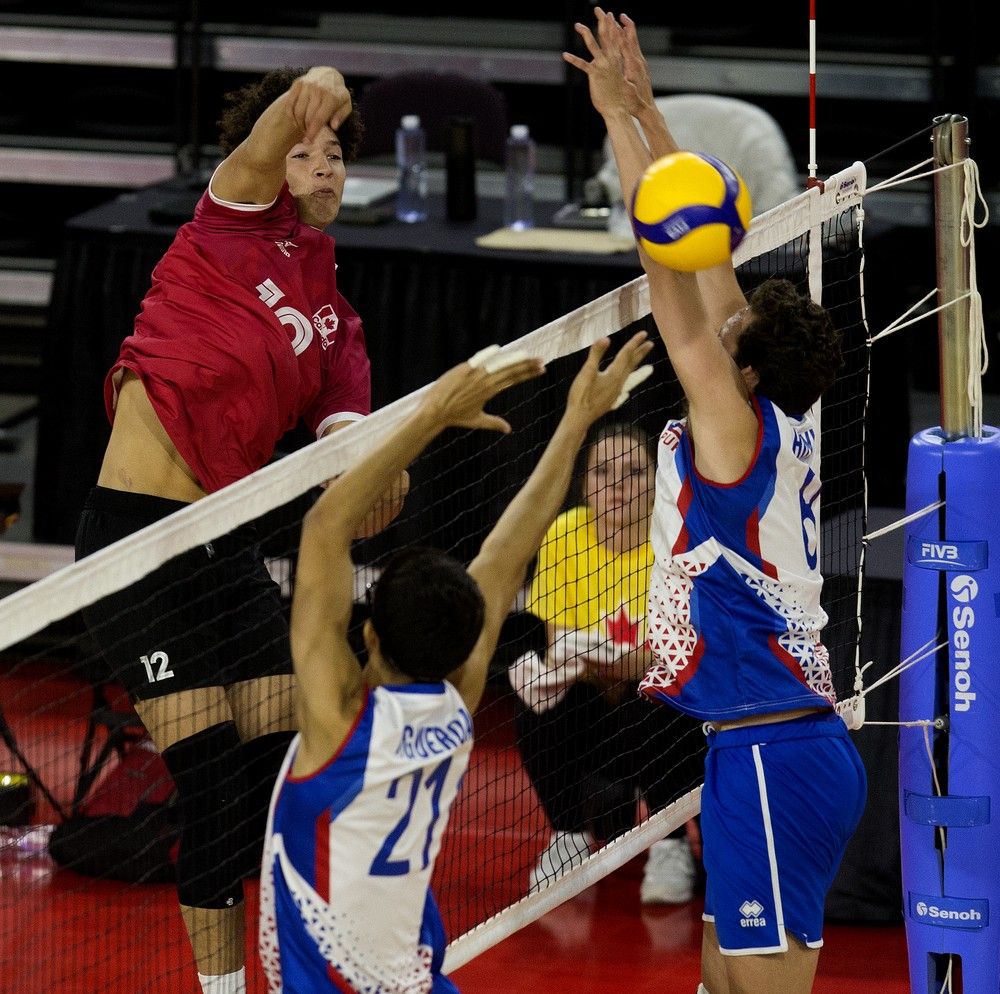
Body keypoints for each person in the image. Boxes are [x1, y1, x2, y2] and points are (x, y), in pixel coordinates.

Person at [74, 66, 401, 994]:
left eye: (336, 157)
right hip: (135, 542)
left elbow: (350, 443)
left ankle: (277, 962)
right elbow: (273, 135)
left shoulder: (336, 320)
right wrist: (314, 95)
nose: (322, 170)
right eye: (307, 155)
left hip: (223, 545)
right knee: (213, 780)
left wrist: (383, 477)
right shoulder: (227, 226)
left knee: (268, 777)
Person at [565, 11, 866, 994]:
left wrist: (627, 129)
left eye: (731, 331)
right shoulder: (777, 408)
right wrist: (640, 113)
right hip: (759, 754)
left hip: (778, 755)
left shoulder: (732, 430)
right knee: (717, 984)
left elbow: (672, 273)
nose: (721, 322)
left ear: (743, 365)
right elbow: (699, 257)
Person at [258, 333, 654, 993]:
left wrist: (433, 414)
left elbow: (325, 525)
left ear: (371, 635)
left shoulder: (337, 721)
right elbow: (510, 546)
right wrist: (577, 419)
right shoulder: (458, 703)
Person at [509, 421, 704, 902]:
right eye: (602, 472)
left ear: (656, 483)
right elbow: (557, 644)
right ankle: (569, 837)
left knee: (652, 698)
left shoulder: (677, 538)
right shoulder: (565, 534)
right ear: (584, 484)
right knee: (536, 690)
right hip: (594, 713)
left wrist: (616, 664)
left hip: (669, 724)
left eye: (634, 472)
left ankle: (670, 842)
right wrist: (597, 664)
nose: (617, 487)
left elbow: (678, 657)